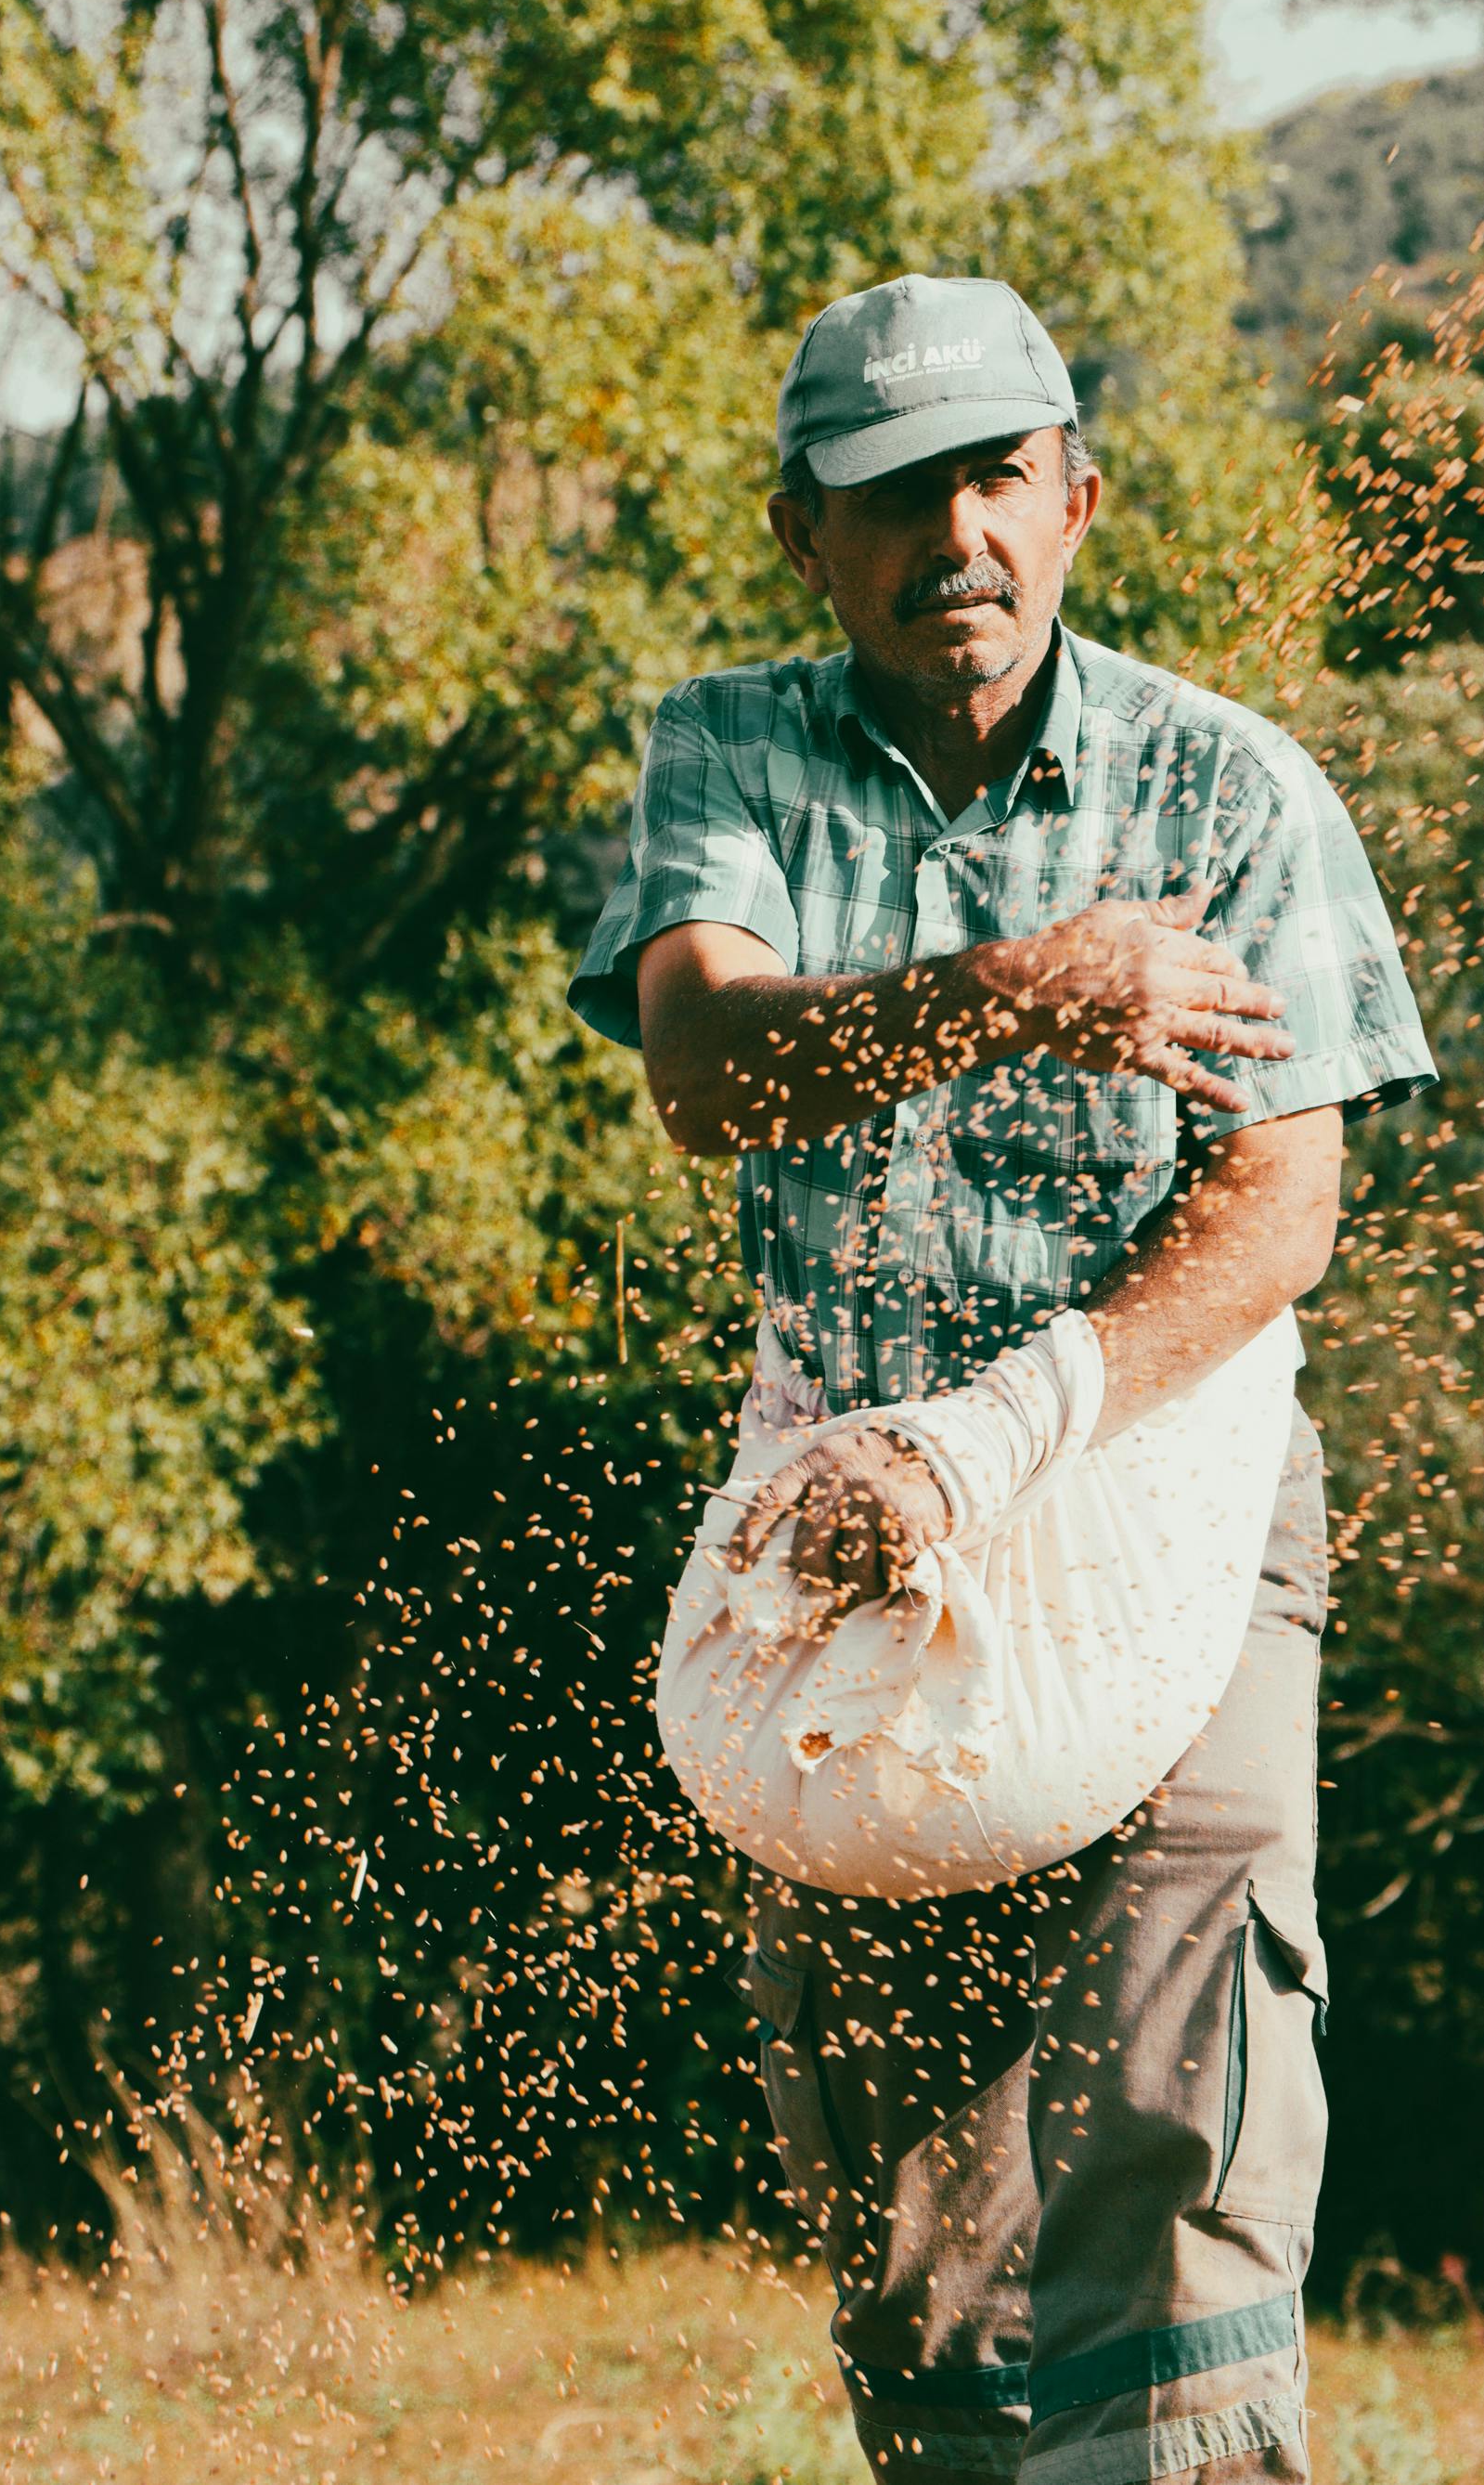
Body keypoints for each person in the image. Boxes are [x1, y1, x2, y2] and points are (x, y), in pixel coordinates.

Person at [567, 271, 1437, 2485]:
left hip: (1168, 1504)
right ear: (803, 534)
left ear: (1075, 498)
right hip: (848, 1523)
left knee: (1173, 2100)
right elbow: (698, 1062)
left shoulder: (1232, 785)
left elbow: (1280, 1212)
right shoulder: (728, 751)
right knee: (911, 2194)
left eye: (991, 478)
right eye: (888, 494)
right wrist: (1015, 992)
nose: (950, 534)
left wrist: (999, 1439)